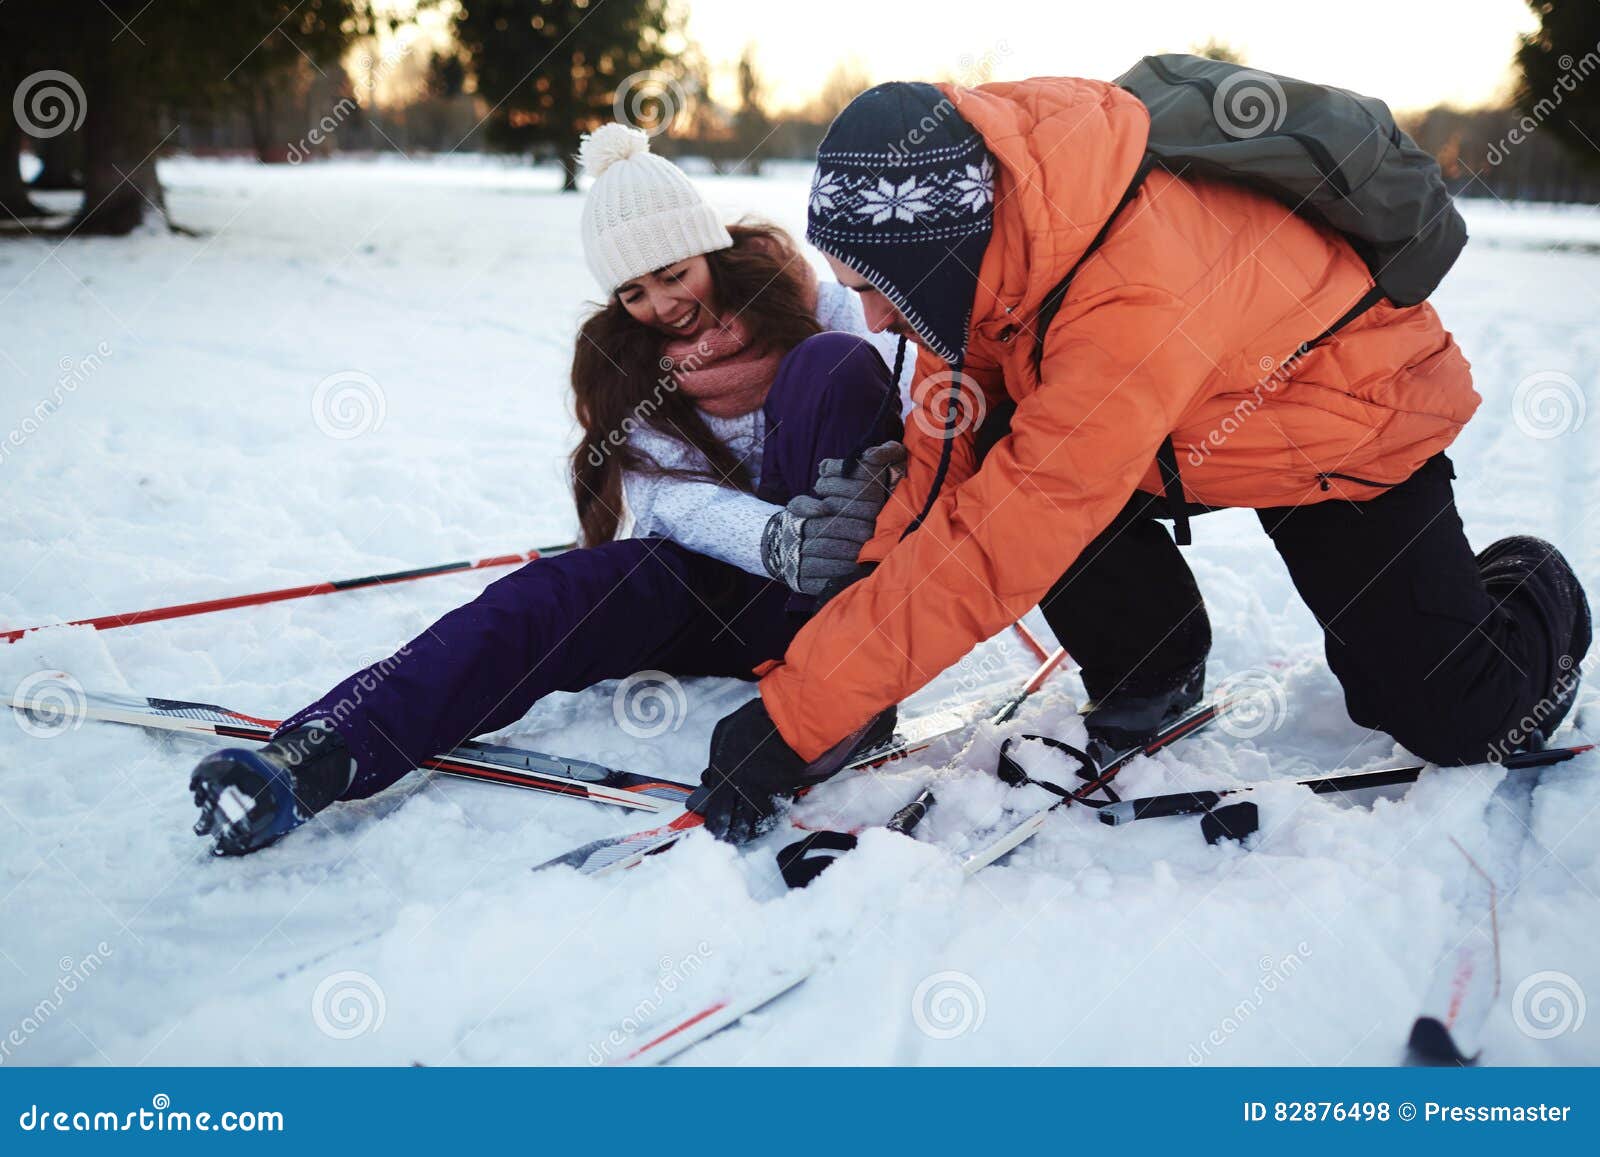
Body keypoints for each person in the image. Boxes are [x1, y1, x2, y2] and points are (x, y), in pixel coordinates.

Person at [689, 78, 1592, 843]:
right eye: (856, 292)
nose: (874, 320)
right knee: (1008, 438)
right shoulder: (973, 267)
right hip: (1178, 431)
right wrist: (846, 687)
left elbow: (1012, 528)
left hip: (1340, 427)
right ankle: (1154, 658)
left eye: (881, 293)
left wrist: (793, 715)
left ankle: (1528, 588)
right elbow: (940, 479)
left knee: (1458, 715)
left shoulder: (1133, 281)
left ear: (938, 251)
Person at [188, 123, 907, 856]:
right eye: (634, 290)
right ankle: (321, 753)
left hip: (841, 606)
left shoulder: (814, 302)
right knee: (547, 596)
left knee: (835, 364)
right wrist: (776, 540)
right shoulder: (625, 362)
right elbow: (664, 498)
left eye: (673, 273)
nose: (662, 304)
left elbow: (910, 393)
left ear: (708, 246)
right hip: (722, 582)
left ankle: (850, 691)